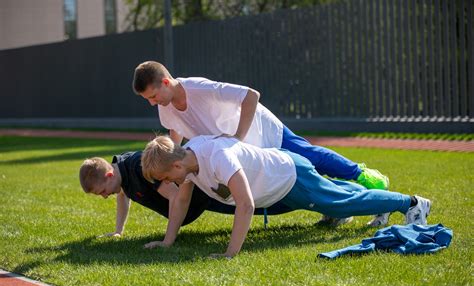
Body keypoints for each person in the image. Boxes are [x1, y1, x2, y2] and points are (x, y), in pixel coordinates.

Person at [132, 61, 390, 226]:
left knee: (312, 158)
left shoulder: (199, 88)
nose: (152, 103)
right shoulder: (165, 108)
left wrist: (237, 138)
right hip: (247, 153)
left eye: (153, 96)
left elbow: (250, 95)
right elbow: (175, 136)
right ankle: (343, 206)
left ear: (166, 82)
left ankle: (366, 177)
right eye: (148, 100)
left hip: (263, 131)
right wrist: (167, 163)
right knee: (303, 178)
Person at [140, 135, 432, 258]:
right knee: (338, 195)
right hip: (282, 178)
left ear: (176, 165)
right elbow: (180, 201)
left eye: (167, 178)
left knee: (341, 203)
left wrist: (230, 254)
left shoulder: (217, 157)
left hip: (289, 176)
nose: (170, 184)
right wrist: (167, 241)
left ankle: (412, 203)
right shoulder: (188, 162)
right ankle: (382, 202)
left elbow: (245, 204)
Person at [78, 151, 295, 246]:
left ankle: (300, 198)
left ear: (109, 175)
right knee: (259, 203)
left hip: (203, 197)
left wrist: (168, 240)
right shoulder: (120, 175)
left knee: (264, 203)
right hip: (197, 205)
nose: (105, 196)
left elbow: (176, 197)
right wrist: (118, 231)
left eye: (102, 191)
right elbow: (123, 196)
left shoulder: (136, 166)